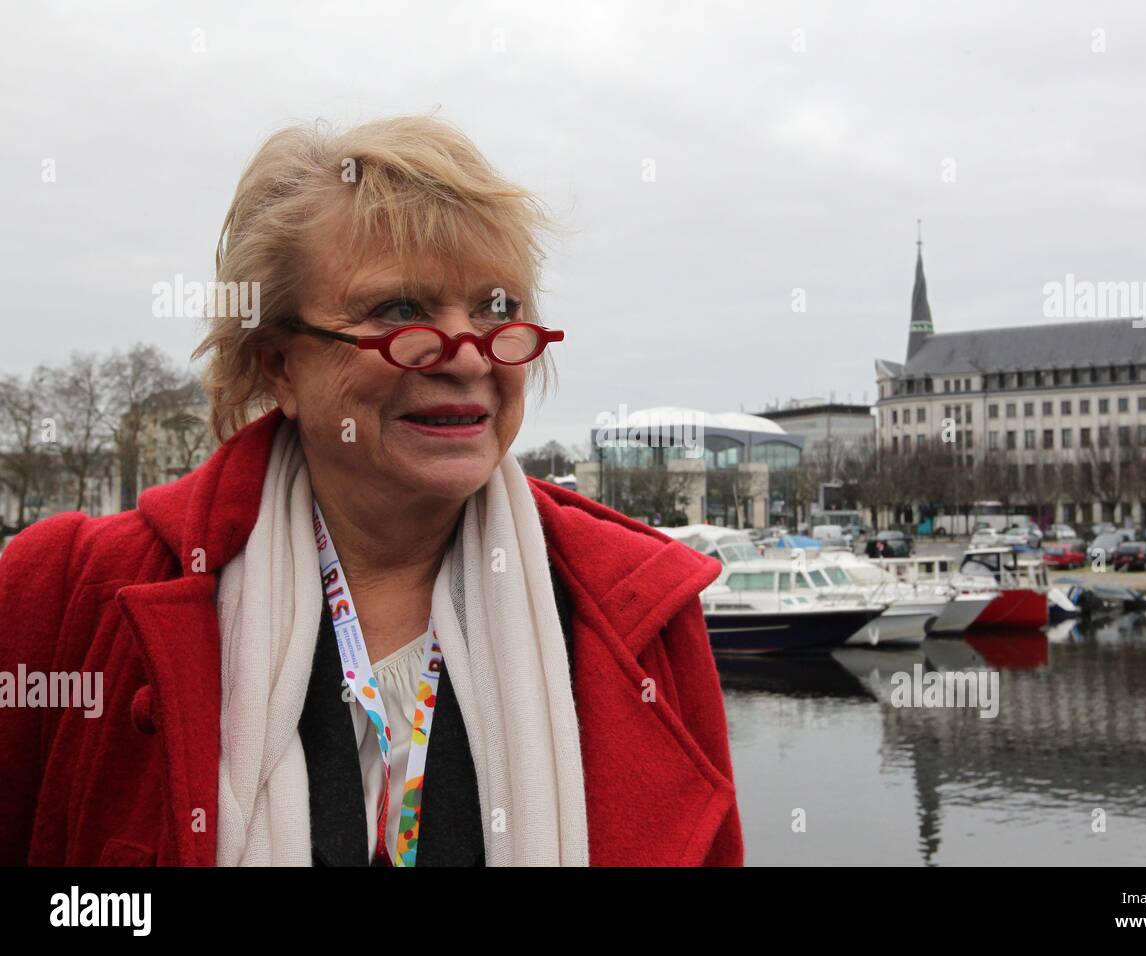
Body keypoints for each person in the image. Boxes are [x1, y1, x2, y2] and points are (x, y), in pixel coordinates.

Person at [0, 115, 742, 867]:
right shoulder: (64, 594)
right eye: (399, 310)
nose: (468, 354)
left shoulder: (636, 616)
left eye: (497, 307)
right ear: (279, 367)